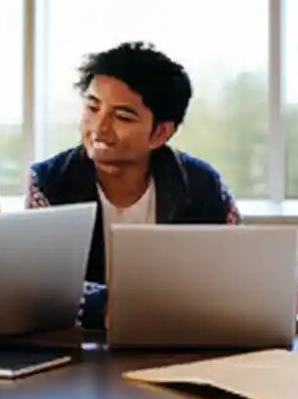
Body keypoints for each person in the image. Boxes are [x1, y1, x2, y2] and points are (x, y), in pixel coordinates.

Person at [27, 42, 240, 328]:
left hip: (183, 341)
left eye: (122, 117)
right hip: (82, 348)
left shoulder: (202, 185)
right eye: (93, 107)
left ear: (160, 133)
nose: (99, 128)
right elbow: (40, 288)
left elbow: (235, 273)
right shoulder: (49, 182)